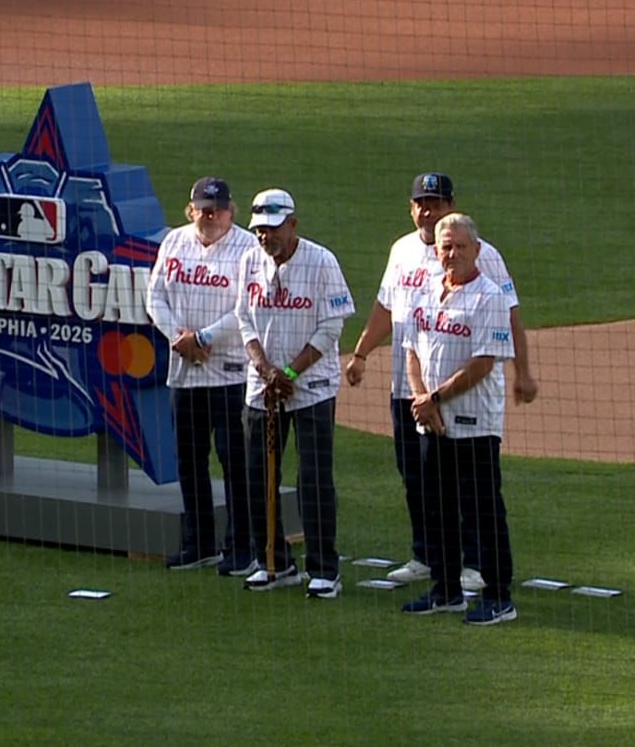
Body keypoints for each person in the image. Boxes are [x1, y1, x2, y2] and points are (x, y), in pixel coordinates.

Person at [343, 173, 536, 592]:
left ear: (451, 206)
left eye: (436, 202)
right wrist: (360, 353)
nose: (427, 210)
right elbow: (385, 308)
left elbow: (510, 315)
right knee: (417, 476)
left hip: (459, 399)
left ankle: (472, 563)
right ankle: (427, 556)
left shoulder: (483, 256)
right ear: (411, 207)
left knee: (468, 487)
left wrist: (522, 371)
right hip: (409, 390)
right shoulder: (402, 252)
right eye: (421, 203)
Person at [234, 188, 355, 598]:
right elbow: (244, 321)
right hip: (262, 386)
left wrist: (289, 372)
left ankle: (324, 568)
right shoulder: (249, 260)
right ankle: (272, 561)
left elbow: (331, 327)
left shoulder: (322, 262)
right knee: (257, 475)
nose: (265, 237)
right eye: (259, 230)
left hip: (313, 387)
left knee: (313, 477)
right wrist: (266, 370)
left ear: (292, 224)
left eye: (272, 229)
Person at [399, 213, 518, 625]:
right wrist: (421, 398)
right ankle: (446, 589)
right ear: (437, 251)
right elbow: (411, 350)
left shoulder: (490, 298)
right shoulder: (426, 292)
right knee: (438, 507)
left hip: (474, 422)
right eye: (446, 247)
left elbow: (483, 363)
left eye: (460, 247)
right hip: (432, 421)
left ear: (477, 251)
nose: (452, 254)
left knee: (483, 509)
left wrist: (433, 397)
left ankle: (499, 595)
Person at [145, 177, 259, 575]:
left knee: (235, 462)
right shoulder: (174, 241)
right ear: (190, 208)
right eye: (203, 208)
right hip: (183, 371)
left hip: (230, 372)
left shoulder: (249, 247)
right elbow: (153, 295)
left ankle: (241, 546)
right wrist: (178, 338)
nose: (210, 215)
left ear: (231, 210)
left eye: (218, 208)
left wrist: (203, 338)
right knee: (189, 461)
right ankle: (199, 542)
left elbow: (249, 307)